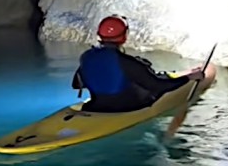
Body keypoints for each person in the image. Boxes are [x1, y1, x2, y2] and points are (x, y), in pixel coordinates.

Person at [70, 14, 205, 113]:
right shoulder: (127, 62)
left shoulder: (87, 57)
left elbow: (76, 84)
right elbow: (158, 86)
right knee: (148, 81)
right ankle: (190, 73)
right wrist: (189, 78)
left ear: (99, 35)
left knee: (137, 77)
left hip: (95, 107)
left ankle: (178, 73)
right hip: (126, 108)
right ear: (124, 36)